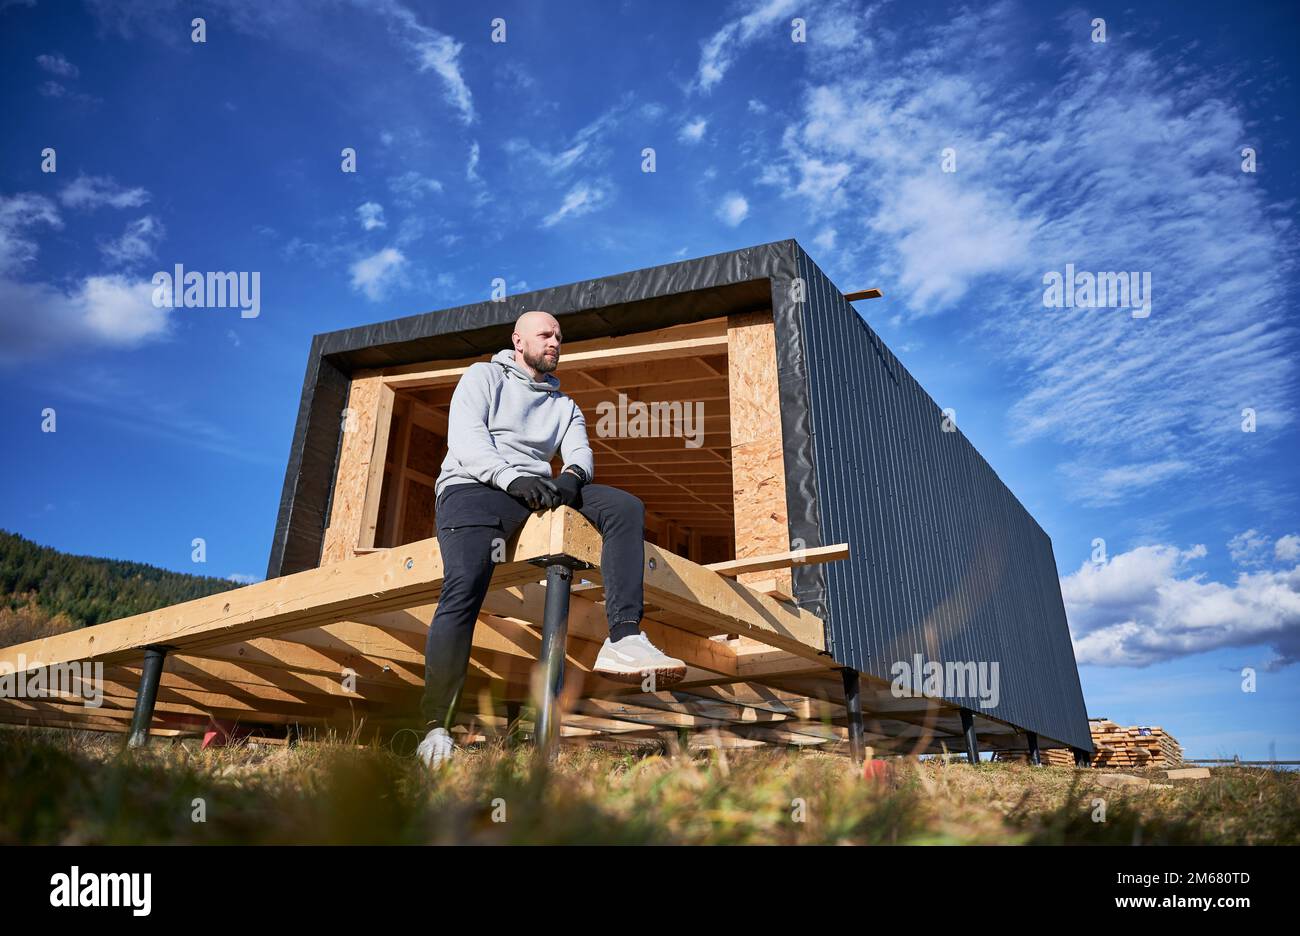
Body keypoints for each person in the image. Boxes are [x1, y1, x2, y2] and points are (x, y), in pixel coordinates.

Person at [417, 310, 687, 768]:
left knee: (623, 507)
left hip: (539, 490)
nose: (555, 342)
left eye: (559, 337)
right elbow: (466, 439)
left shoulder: (565, 405)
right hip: (476, 484)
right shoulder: (483, 377)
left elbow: (580, 453)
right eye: (546, 335)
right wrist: (508, 478)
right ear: (518, 341)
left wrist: (571, 481)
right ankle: (434, 726)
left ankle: (623, 636)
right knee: (464, 585)